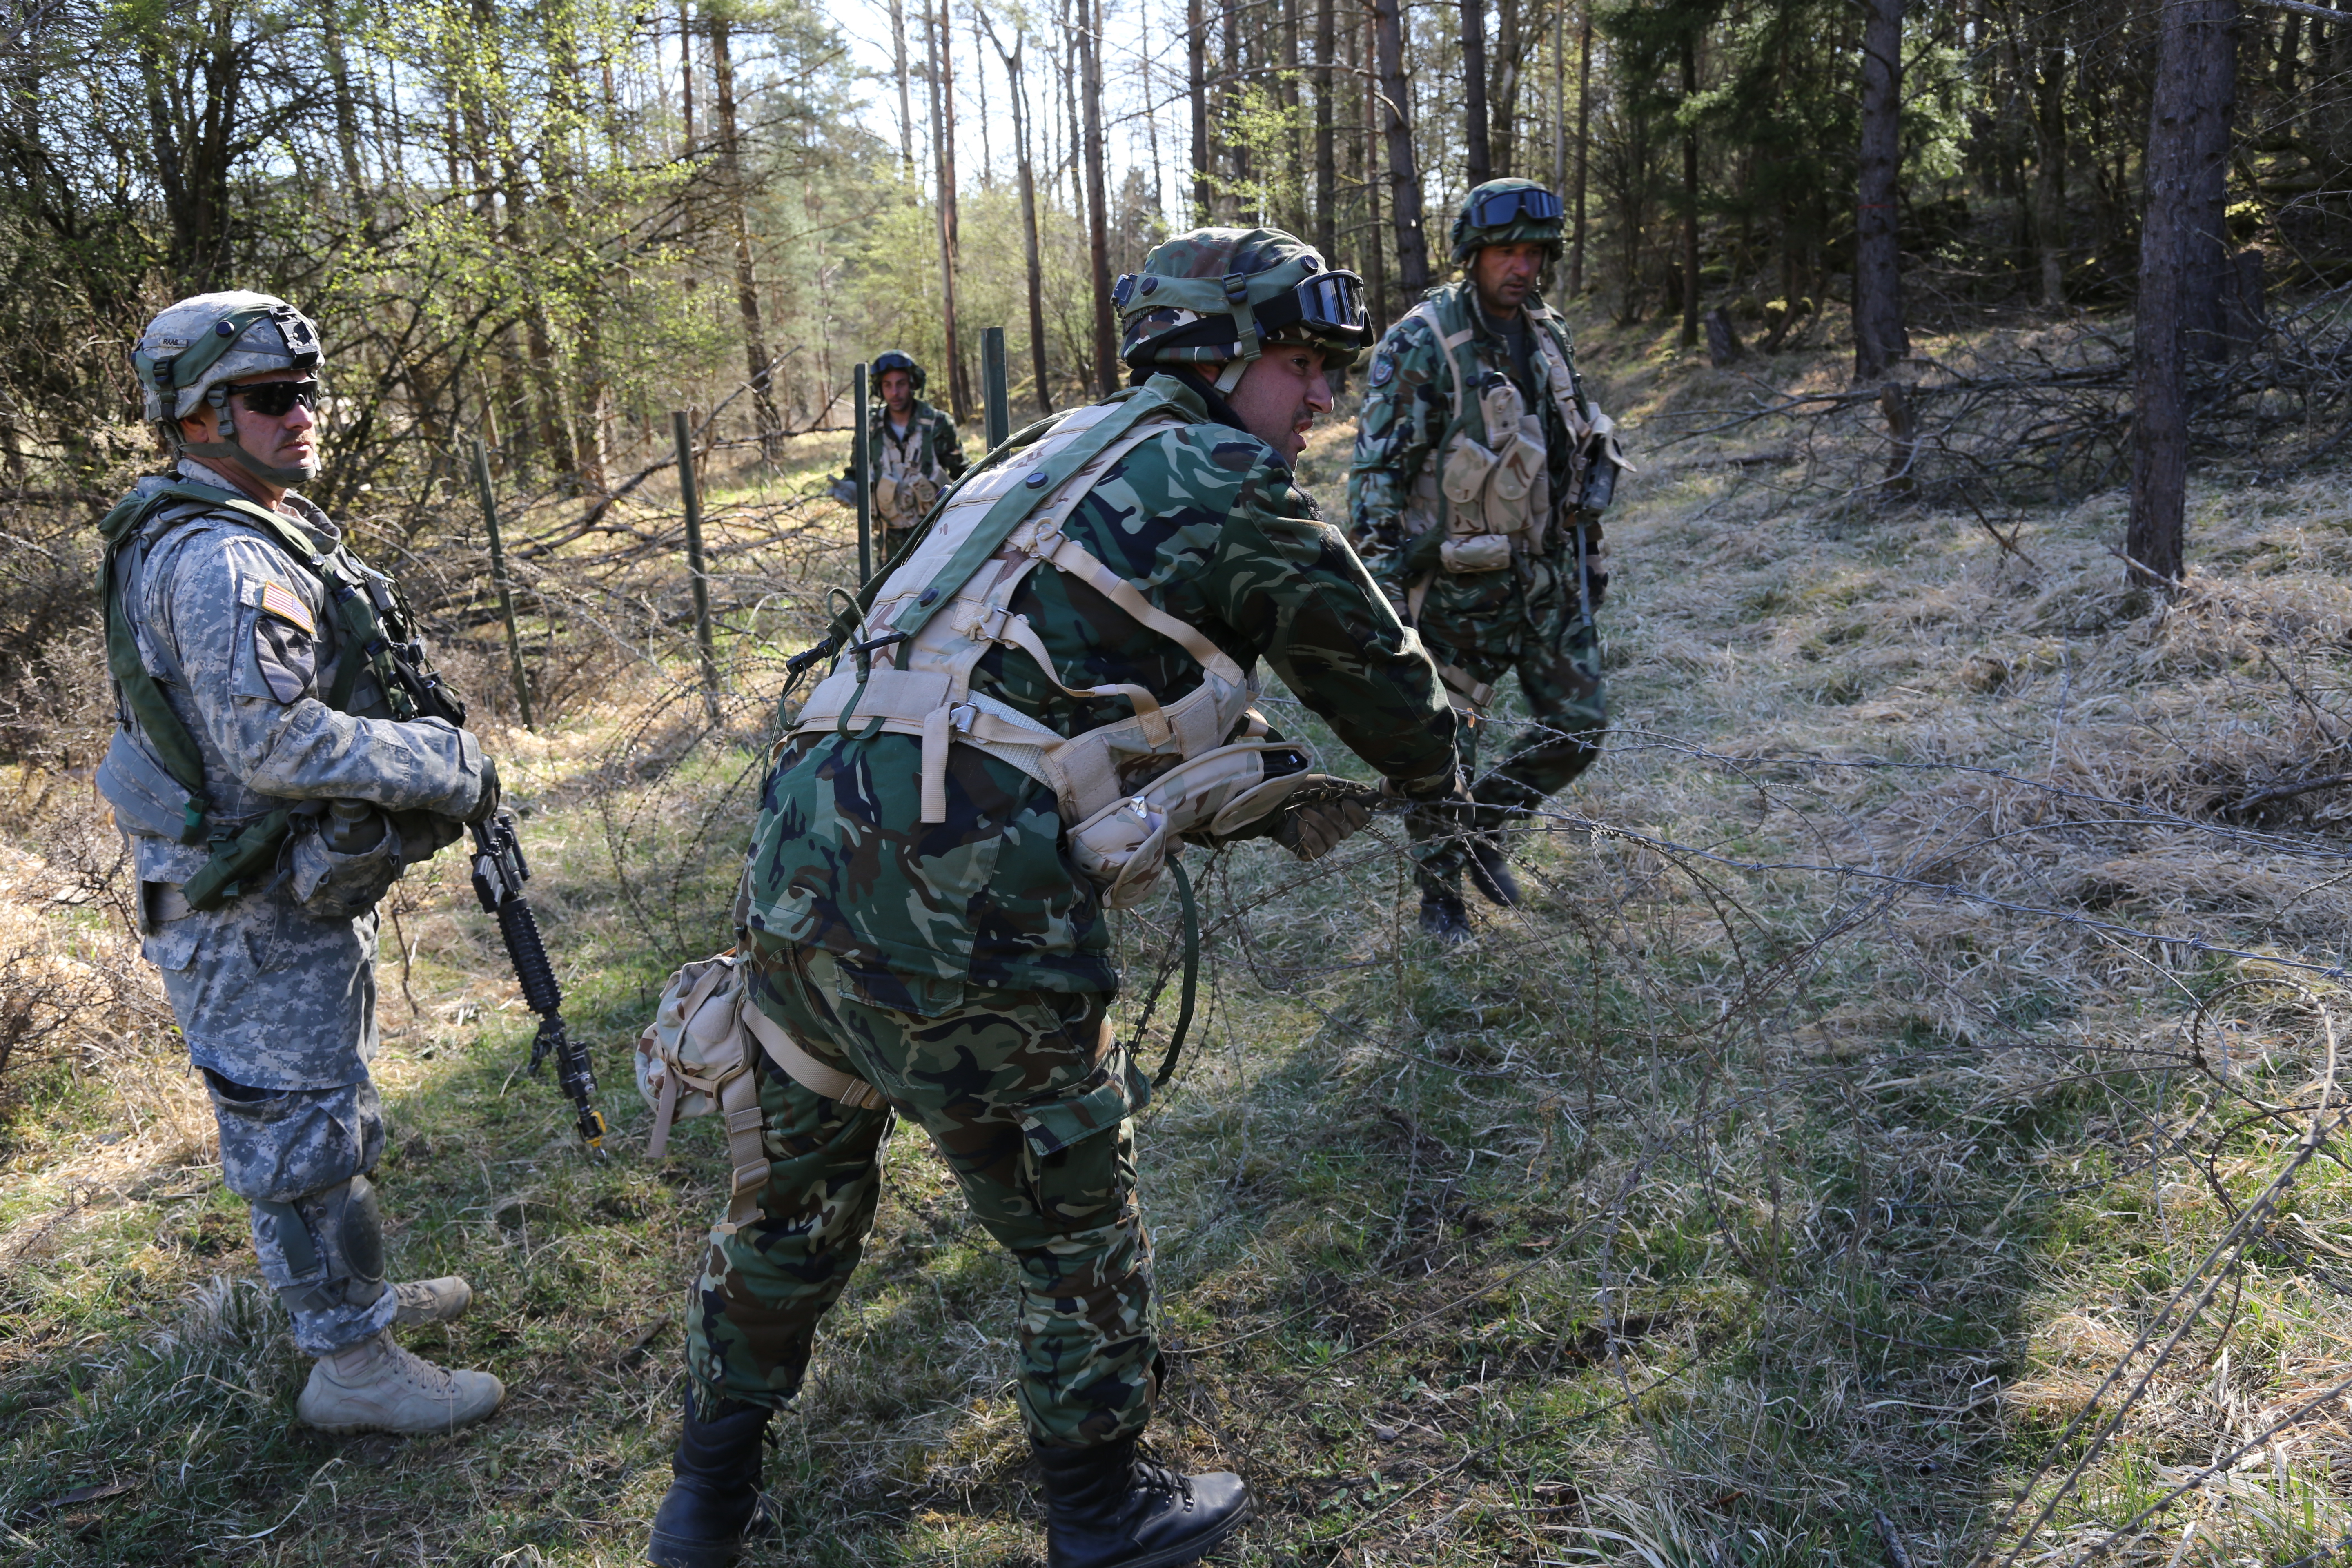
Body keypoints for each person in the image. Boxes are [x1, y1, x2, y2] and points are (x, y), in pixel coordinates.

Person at [646, 228, 1463, 1568]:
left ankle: (703, 1501)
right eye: (1307, 366)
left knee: (788, 1201)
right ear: (1224, 357)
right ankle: (1099, 1505)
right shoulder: (1222, 477)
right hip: (968, 893)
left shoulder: (1034, 450)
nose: (1324, 400)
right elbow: (1377, 677)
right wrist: (1448, 776)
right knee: (1073, 1206)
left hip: (798, 858)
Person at [100, 292, 505, 1435]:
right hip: (245, 908)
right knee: (293, 1134)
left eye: (307, 394)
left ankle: (354, 1300)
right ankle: (352, 1366)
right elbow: (274, 742)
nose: (304, 417)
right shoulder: (224, 557)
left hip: (271, 891)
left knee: (323, 1116)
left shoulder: (236, 521)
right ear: (194, 418)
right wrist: (441, 763)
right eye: (273, 399)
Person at [1345, 178, 1630, 942]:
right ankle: (1441, 896)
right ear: (1473, 255)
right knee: (1445, 752)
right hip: (1456, 590)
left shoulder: (1547, 333)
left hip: (1542, 580)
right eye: (1507, 251)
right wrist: (1382, 602)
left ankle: (1487, 825)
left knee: (1580, 723)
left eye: (1535, 252)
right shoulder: (1423, 340)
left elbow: (1567, 457)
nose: (1523, 267)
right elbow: (1377, 476)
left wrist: (1589, 558)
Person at [827, 350, 968, 559]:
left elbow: (963, 473)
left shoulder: (938, 424)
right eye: (888, 385)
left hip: (936, 531)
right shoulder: (869, 428)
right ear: (879, 389)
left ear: (913, 384)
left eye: (901, 383)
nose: (895, 392)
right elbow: (858, 472)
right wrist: (849, 488)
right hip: (889, 538)